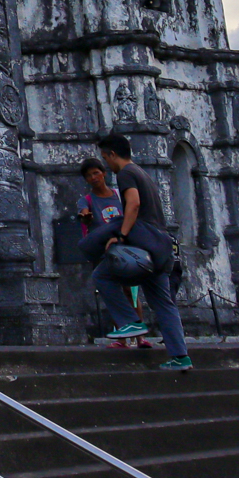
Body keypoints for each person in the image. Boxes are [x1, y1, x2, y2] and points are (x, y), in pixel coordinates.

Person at [92, 134, 191, 371]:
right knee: (164, 303)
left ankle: (130, 321)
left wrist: (121, 236)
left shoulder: (125, 174)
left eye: (105, 157)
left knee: (102, 275)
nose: (106, 163)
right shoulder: (142, 173)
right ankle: (180, 357)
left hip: (144, 245)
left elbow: (133, 204)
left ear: (113, 154)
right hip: (162, 246)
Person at [79, 157, 151, 349]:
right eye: (88, 175)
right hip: (106, 253)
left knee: (132, 293)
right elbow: (84, 214)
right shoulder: (86, 200)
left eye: (96, 173)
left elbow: (133, 211)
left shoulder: (119, 195)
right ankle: (122, 339)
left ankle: (140, 338)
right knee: (114, 295)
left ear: (103, 173)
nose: (93, 178)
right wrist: (86, 218)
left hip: (126, 248)